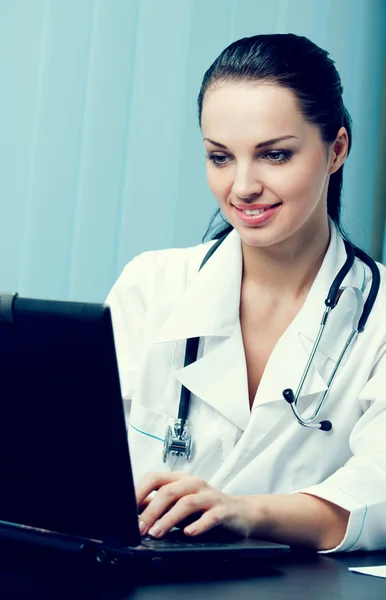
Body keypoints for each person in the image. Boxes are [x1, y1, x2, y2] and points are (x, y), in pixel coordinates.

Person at [106, 33, 386, 553]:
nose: (242, 187)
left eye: (274, 155)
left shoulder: (382, 316)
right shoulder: (151, 287)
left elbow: (381, 488)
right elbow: (75, 459)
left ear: (337, 150)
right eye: (220, 157)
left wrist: (244, 511)